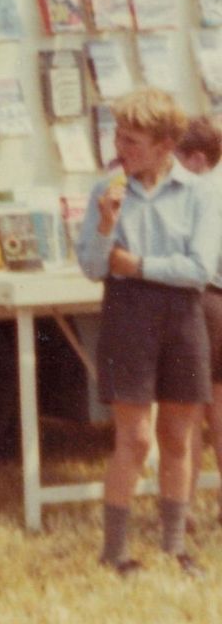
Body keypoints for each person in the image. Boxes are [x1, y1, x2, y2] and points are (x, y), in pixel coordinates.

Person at [77, 90, 222, 576]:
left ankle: (175, 547)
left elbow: (198, 270)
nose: (121, 147)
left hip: (183, 320)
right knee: (135, 440)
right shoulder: (106, 189)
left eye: (133, 140)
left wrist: (135, 263)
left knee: (180, 436)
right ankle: (115, 552)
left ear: (165, 145)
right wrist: (105, 225)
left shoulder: (200, 192)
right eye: (119, 136)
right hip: (127, 319)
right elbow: (95, 267)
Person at [175, 116, 222, 514]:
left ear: (196, 158)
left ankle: (183, 506)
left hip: (202, 301)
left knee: (187, 412)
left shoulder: (195, 195)